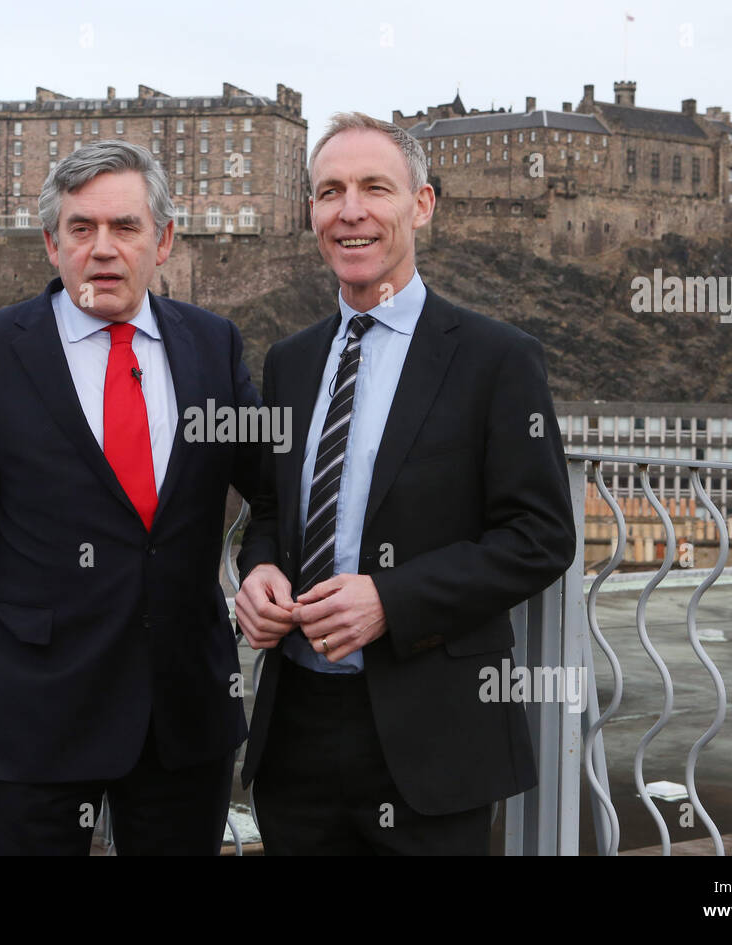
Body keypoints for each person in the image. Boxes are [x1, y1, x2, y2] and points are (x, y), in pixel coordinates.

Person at [234, 112, 576, 855]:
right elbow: (268, 508)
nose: (349, 210)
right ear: (312, 214)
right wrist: (257, 567)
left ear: (421, 205)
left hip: (433, 736)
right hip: (296, 731)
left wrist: (392, 600)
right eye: (329, 192)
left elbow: (541, 536)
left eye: (373, 188)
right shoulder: (290, 362)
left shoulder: (497, 359)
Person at [0, 139, 260, 855]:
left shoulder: (214, 347)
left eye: (125, 227)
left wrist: (266, 566)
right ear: (51, 243)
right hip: (34, 713)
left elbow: (272, 492)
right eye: (82, 228)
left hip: (184, 714)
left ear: (163, 240)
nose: (103, 248)